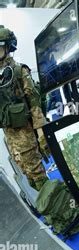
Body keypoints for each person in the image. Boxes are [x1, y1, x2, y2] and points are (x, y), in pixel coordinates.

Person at [0, 26, 49, 191]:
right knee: (29, 177)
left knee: (38, 176)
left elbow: (34, 103)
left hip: (25, 136)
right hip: (10, 137)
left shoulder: (19, 71)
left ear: (8, 47)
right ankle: (48, 205)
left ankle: (59, 211)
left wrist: (41, 133)